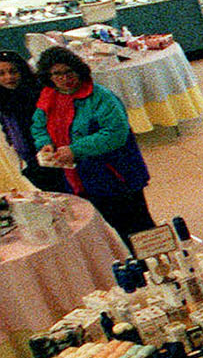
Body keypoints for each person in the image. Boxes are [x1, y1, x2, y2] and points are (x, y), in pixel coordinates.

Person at [32, 46, 154, 238]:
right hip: (80, 176)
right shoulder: (49, 97)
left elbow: (115, 133)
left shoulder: (101, 97)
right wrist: (45, 144)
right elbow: (39, 126)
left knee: (137, 224)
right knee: (108, 224)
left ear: (78, 70)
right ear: (48, 76)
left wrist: (75, 149)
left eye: (68, 72)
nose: (64, 78)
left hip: (115, 173)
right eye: (57, 74)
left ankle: (159, 261)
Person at [0, 50, 63, 193]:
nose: (8, 77)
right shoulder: (4, 98)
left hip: (51, 154)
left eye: (13, 71)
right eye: (1, 74)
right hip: (31, 160)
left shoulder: (36, 94)